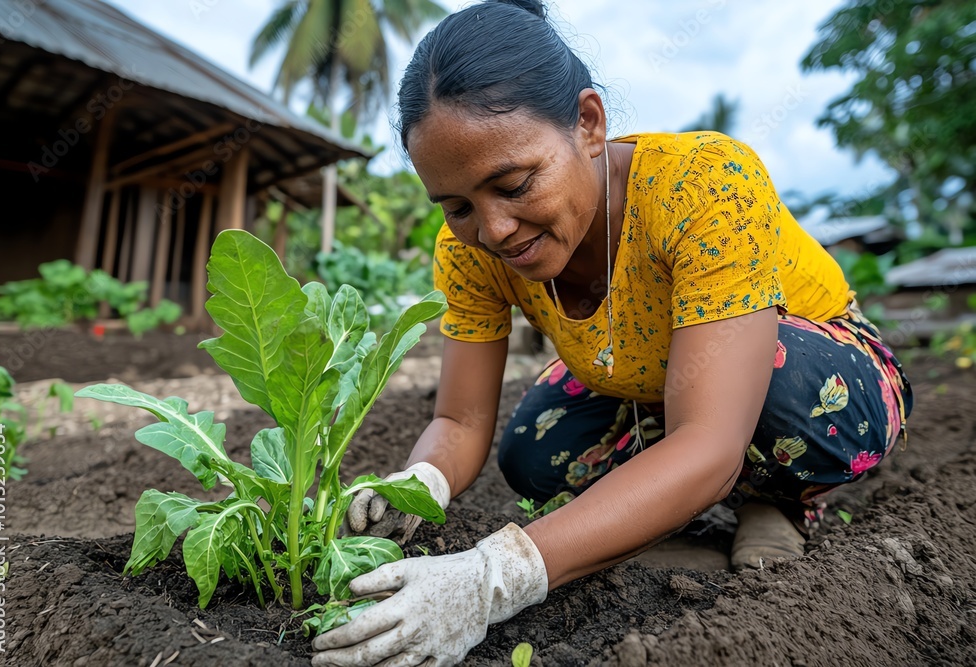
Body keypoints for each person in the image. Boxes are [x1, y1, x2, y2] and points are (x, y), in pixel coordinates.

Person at [311, 1, 913, 664]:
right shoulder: (471, 252)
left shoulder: (702, 186)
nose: (494, 229)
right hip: (651, 381)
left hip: (812, 366)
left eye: (513, 184)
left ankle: (780, 501)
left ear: (589, 124)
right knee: (535, 456)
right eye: (457, 206)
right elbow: (458, 420)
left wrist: (496, 577)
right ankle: (660, 513)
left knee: (772, 395)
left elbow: (710, 441)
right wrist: (416, 481)